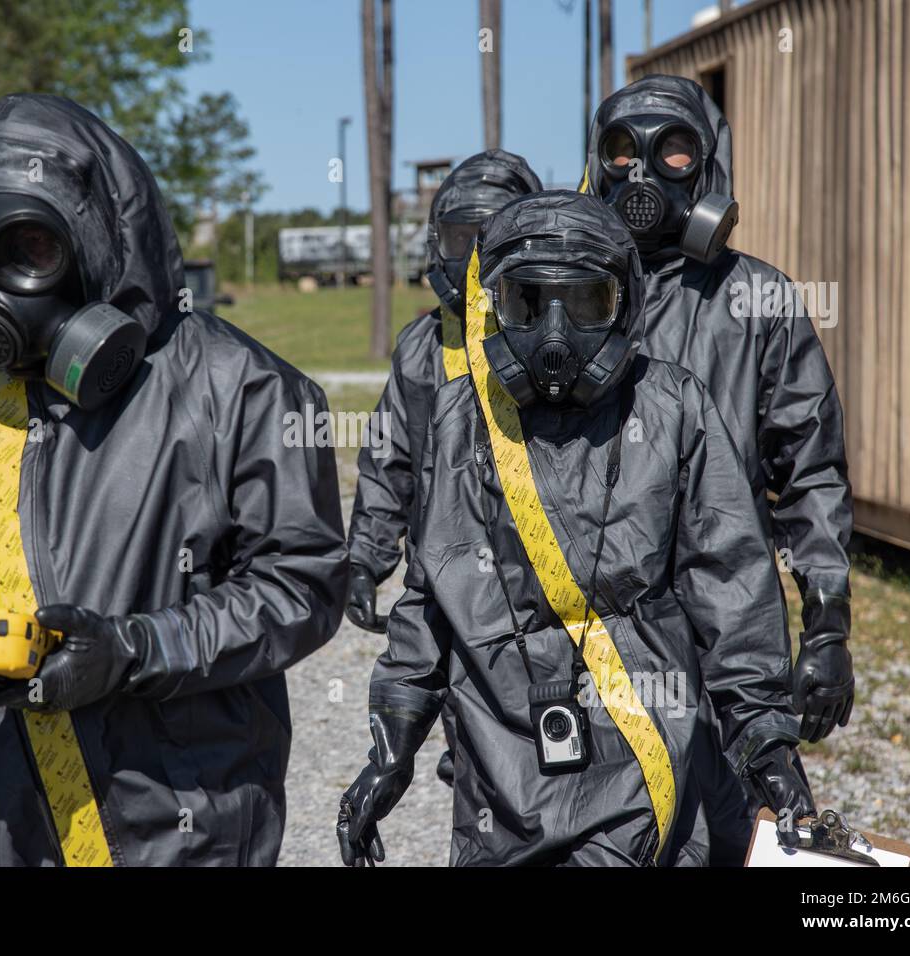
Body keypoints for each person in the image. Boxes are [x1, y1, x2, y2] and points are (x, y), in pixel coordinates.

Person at [0, 94, 349, 866]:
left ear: (102, 239)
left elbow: (301, 585)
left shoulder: (238, 388)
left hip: (168, 824)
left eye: (27, 248)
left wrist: (135, 650)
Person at [336, 190, 810, 866]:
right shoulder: (460, 419)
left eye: (587, 303)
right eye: (527, 304)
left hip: (647, 761)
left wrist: (767, 741)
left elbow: (730, 584)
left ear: (628, 302)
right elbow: (429, 602)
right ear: (491, 306)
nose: (554, 337)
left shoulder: (672, 407)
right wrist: (391, 747)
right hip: (502, 778)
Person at [584, 75, 854, 862]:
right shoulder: (568, 301)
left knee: (723, 830)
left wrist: (828, 625)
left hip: (724, 635)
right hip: (596, 637)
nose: (642, 176)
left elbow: (812, 476)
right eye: (621, 153)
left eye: (671, 150)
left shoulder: (758, 302)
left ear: (707, 170)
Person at [345, 150, 541, 784]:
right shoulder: (420, 347)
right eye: (463, 239)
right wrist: (364, 560)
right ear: (436, 243)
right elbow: (388, 462)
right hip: (444, 583)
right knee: (472, 754)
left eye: (496, 236)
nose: (477, 258)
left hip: (539, 581)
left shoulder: (554, 342)